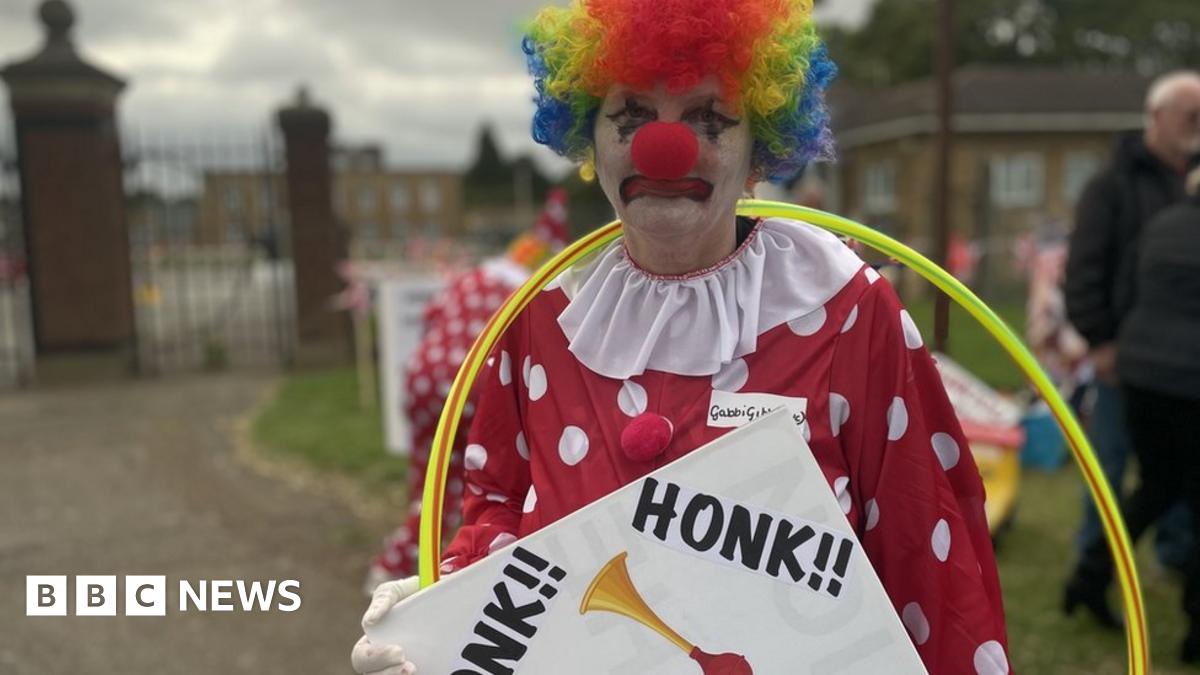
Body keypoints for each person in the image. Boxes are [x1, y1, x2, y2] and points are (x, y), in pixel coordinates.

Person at [352, 2, 1010, 673]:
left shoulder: (845, 311)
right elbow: (500, 512)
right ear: (590, 137)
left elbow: (927, 554)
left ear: (759, 148)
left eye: (709, 118)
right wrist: (442, 614)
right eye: (630, 115)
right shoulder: (543, 322)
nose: (662, 148)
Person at [365, 189, 569, 590]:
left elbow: (432, 315)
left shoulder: (472, 279)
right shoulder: (531, 291)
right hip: (478, 382)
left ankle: (399, 563)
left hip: (424, 377)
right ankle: (457, 576)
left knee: (432, 481)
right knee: (483, 487)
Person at [1063, 71, 1200, 626]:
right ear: (1157, 117)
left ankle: (1167, 560)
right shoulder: (1114, 185)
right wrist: (1101, 341)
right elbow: (1085, 269)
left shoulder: (1185, 184)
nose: (1198, 127)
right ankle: (1095, 560)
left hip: (1164, 361)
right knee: (1113, 467)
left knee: (1167, 481)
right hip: (1125, 356)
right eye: (1191, 115)